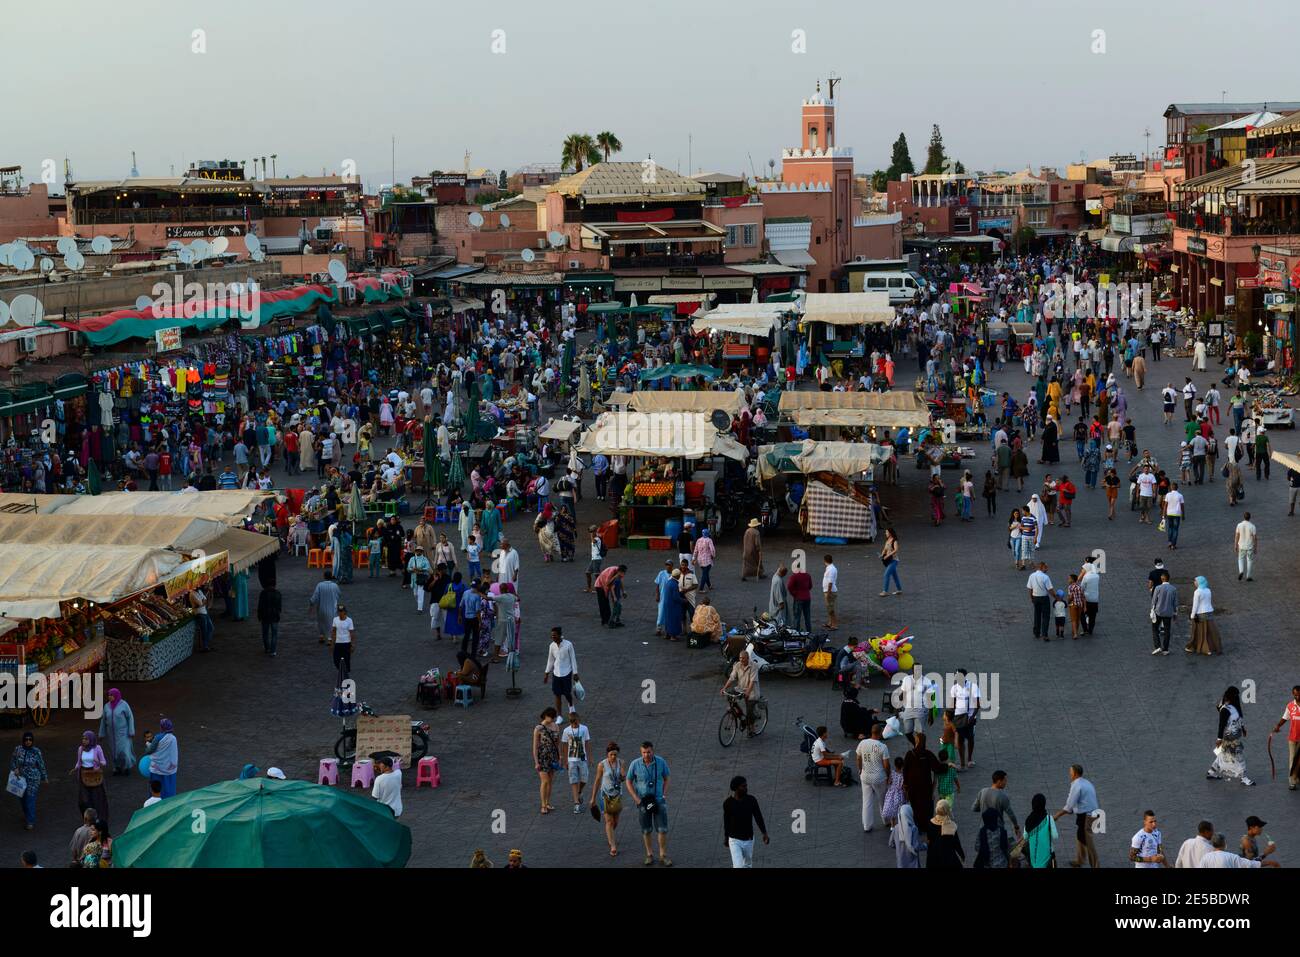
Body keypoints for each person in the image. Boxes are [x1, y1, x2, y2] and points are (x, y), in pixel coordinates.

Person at [625, 741, 672, 866]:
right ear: (641, 752)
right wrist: (636, 798)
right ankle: (649, 854)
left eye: (649, 752)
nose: (646, 755)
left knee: (662, 829)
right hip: (643, 802)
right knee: (646, 830)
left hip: (658, 800)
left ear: (653, 751)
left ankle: (663, 855)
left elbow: (667, 777)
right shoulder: (635, 764)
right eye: (644, 752)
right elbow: (628, 781)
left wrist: (663, 794)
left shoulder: (660, 762)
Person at [1053, 764, 1099, 867]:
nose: (1070, 773)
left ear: (1075, 773)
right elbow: (1079, 803)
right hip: (1091, 814)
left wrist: (1057, 816)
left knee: (1087, 841)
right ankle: (1080, 860)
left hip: (1087, 816)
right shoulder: (1086, 782)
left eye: (1071, 772)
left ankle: (1095, 865)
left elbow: (1069, 806)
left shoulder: (1077, 785)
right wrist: (1072, 810)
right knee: (1080, 836)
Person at [1208, 685, 1253, 786]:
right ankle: (1244, 778)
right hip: (1230, 739)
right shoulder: (1225, 709)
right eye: (1236, 696)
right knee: (1239, 757)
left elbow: (1237, 719)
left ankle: (1211, 772)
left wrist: (1243, 728)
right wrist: (1219, 739)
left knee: (1222, 755)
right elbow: (1221, 725)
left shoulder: (1234, 706)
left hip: (1235, 735)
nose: (1238, 698)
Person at [722, 775, 769, 868]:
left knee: (747, 865)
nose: (746, 788)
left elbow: (758, 817)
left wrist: (764, 833)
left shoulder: (751, 800)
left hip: (749, 840)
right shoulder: (728, 803)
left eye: (746, 786)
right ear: (736, 788)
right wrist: (726, 837)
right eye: (743, 786)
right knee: (738, 866)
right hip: (734, 840)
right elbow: (726, 822)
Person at [856, 723, 891, 833]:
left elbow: (858, 757)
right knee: (883, 800)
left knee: (866, 801)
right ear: (880, 733)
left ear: (871, 732)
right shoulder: (882, 747)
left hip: (865, 777)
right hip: (879, 778)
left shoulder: (862, 743)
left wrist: (860, 769)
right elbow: (886, 765)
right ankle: (886, 820)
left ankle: (867, 826)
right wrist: (888, 775)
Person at [8, 732, 47, 830]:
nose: (28, 741)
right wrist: (15, 768)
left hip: (33, 778)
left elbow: (41, 764)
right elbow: (12, 760)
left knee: (30, 798)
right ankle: (27, 814)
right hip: (20, 778)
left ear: (32, 741)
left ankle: (30, 821)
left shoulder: (36, 751)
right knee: (22, 798)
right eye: (26, 739)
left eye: (30, 739)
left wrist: (44, 777)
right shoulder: (18, 749)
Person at [722, 649, 761, 733]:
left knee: (749, 710)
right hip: (740, 688)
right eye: (740, 658)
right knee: (730, 695)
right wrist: (724, 688)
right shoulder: (737, 665)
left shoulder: (754, 666)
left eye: (743, 658)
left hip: (752, 691)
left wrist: (747, 692)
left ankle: (752, 728)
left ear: (747, 658)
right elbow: (731, 678)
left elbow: (752, 682)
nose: (741, 660)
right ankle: (741, 717)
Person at [98, 689, 135, 776]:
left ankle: (127, 767)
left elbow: (130, 717)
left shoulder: (124, 705)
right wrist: (101, 734)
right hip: (111, 734)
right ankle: (117, 767)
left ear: (116, 695)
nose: (109, 697)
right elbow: (103, 720)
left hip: (123, 733)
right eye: (109, 695)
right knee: (114, 751)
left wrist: (131, 731)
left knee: (124, 751)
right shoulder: (106, 706)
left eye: (111, 695)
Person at [560, 711, 591, 815]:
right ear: (570, 722)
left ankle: (579, 791)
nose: (575, 724)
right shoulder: (566, 730)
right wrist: (565, 760)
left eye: (576, 722)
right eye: (573, 723)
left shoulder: (584, 728)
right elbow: (564, 745)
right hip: (571, 759)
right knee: (573, 780)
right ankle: (576, 803)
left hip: (582, 758)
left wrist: (589, 757)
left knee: (584, 778)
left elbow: (587, 742)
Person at [532, 708, 561, 815]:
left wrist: (560, 756)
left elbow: (558, 743)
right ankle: (543, 805)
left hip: (553, 756)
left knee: (550, 781)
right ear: (546, 716)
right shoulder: (538, 728)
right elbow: (535, 747)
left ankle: (548, 802)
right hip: (542, 757)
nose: (553, 719)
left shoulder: (556, 726)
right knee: (545, 781)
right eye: (552, 717)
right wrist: (536, 762)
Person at [1271, 685, 1300, 791]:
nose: (1296, 696)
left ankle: (1297, 777)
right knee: (1293, 759)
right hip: (1293, 738)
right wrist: (1278, 726)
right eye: (1294, 694)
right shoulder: (1290, 706)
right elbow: (1285, 718)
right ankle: (1292, 781)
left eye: (1298, 694)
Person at [1199, 831, 1280, 868]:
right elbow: (1251, 864)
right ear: (1224, 843)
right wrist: (1270, 862)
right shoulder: (1232, 857)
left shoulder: (1205, 858)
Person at [1186, 576, 1222, 655]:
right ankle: (1213, 647)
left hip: (1201, 613)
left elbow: (1195, 605)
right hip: (1209, 612)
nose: (1194, 582)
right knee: (1210, 631)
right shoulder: (1208, 590)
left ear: (1199, 583)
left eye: (1196, 581)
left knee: (1201, 632)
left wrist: (1192, 615)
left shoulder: (1197, 592)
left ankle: (1205, 649)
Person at [144, 719, 179, 799]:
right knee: (168, 788)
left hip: (158, 770)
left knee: (157, 787)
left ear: (162, 727)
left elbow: (150, 750)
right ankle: (169, 802)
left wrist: (147, 744)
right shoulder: (173, 738)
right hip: (170, 770)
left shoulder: (158, 737)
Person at [926, 800, 965, 868]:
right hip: (948, 857)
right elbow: (956, 843)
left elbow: (929, 839)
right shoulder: (952, 825)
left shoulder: (931, 822)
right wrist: (962, 855)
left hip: (933, 855)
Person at [309, 570, 342, 645]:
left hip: (321, 608)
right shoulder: (335, 586)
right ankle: (330, 639)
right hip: (332, 608)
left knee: (321, 622)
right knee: (331, 623)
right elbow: (339, 594)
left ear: (324, 576)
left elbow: (315, 596)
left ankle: (321, 636)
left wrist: (311, 603)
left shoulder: (320, 585)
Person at [891, 800, 924, 868]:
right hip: (913, 863)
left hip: (901, 862)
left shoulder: (896, 828)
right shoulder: (913, 829)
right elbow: (915, 846)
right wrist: (925, 845)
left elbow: (891, 843)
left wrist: (899, 848)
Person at [1150, 572, 1177, 656]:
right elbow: (1175, 603)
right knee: (1167, 631)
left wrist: (1152, 610)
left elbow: (1154, 601)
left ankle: (1157, 646)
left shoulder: (1158, 588)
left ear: (1162, 579)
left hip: (1158, 611)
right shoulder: (1173, 589)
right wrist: (1175, 613)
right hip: (1168, 612)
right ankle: (1165, 649)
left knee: (1155, 628)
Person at [1026, 562, 1053, 641]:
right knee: (1045, 616)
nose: (1047, 569)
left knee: (1037, 615)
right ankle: (1045, 634)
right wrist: (1056, 597)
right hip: (1044, 598)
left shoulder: (1031, 575)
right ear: (1042, 568)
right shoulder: (1045, 577)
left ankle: (1036, 632)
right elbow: (1050, 589)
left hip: (1035, 597)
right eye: (1046, 568)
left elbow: (1030, 588)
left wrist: (1031, 598)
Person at [370, 753, 402, 818]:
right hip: (397, 810)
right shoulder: (398, 773)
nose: (379, 766)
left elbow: (375, 797)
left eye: (381, 765)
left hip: (385, 811)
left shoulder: (379, 779)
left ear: (387, 767)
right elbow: (394, 770)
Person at [330, 604, 356, 679]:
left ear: (345, 612)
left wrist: (352, 644)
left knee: (346, 660)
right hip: (338, 643)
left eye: (342, 611)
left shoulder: (349, 620)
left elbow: (351, 633)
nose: (340, 613)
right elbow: (334, 632)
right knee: (336, 660)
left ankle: (345, 675)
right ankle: (342, 670)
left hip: (346, 643)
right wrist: (332, 643)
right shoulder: (335, 620)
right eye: (339, 611)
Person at [785, 562, 813, 632]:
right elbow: (810, 586)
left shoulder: (794, 576)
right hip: (807, 598)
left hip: (798, 598)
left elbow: (789, 586)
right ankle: (809, 631)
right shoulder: (807, 575)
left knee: (797, 616)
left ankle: (796, 632)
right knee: (807, 616)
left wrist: (794, 594)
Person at [257, 583, 282, 657]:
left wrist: (259, 615)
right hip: (274, 616)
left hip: (265, 616)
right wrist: (278, 612)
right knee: (274, 634)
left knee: (265, 633)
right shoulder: (278, 593)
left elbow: (260, 605)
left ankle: (267, 648)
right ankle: (273, 651)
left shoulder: (263, 593)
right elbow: (279, 606)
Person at [1234, 512, 1256, 581]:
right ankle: (1248, 576)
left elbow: (1237, 535)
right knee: (1249, 560)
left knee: (1240, 559)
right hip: (1249, 546)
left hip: (1241, 546)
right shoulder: (1252, 526)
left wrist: (1235, 545)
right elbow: (1254, 538)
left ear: (1243, 517)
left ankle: (1241, 571)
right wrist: (1255, 547)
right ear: (1250, 517)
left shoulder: (1239, 525)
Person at [880, 529, 902, 596]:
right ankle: (899, 589)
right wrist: (882, 554)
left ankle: (885, 591)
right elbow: (885, 549)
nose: (885, 533)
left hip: (894, 560)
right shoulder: (887, 541)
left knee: (886, 574)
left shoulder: (894, 541)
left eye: (886, 532)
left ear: (890, 533)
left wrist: (888, 555)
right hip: (889, 560)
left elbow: (896, 549)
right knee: (895, 576)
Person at [1162, 481, 1184, 549]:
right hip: (1177, 514)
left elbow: (1165, 505)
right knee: (1175, 529)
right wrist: (1183, 515)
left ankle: (1169, 542)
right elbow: (1182, 506)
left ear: (1171, 488)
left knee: (1170, 528)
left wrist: (1163, 514)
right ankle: (1173, 545)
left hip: (1169, 513)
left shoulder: (1168, 495)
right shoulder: (1180, 495)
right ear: (1177, 488)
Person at [822, 554, 839, 629]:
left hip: (830, 592)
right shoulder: (829, 568)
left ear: (825, 560)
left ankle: (834, 625)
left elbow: (830, 583)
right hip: (829, 591)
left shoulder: (831, 569)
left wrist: (828, 593)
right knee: (829, 608)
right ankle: (830, 623)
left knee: (831, 609)